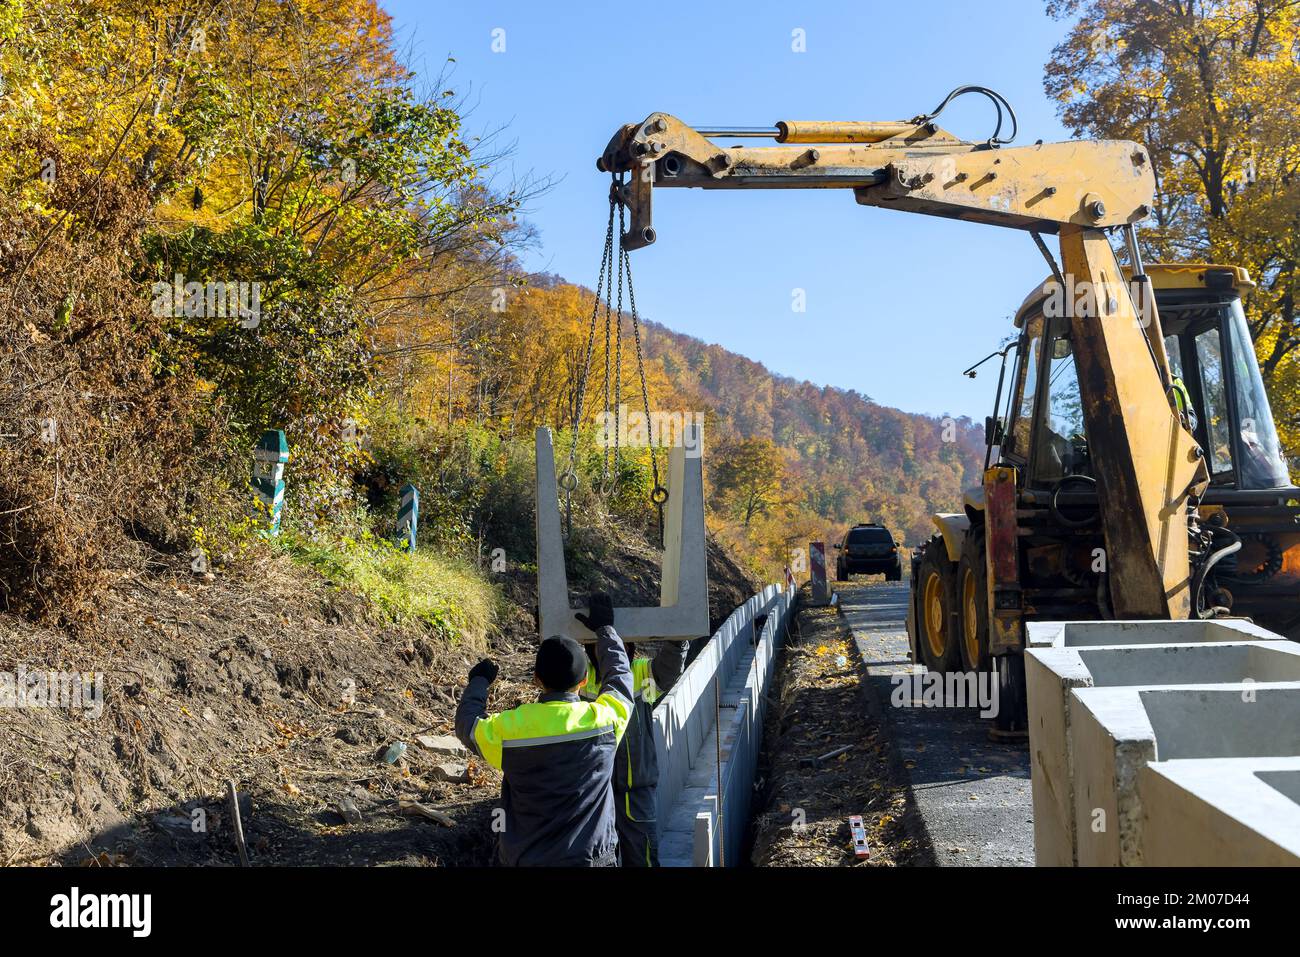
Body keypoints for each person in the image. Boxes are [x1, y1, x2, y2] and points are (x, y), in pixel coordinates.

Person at [454, 594, 632, 866]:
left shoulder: (511, 728)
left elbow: (467, 724)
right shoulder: (603, 721)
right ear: (584, 681)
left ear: (536, 679)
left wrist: (479, 681)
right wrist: (605, 630)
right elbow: (620, 678)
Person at [582, 639, 687, 867]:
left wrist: (677, 642)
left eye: (623, 645)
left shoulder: (640, 672)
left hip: (635, 790)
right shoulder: (581, 677)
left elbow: (668, 669)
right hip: (596, 793)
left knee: (642, 858)